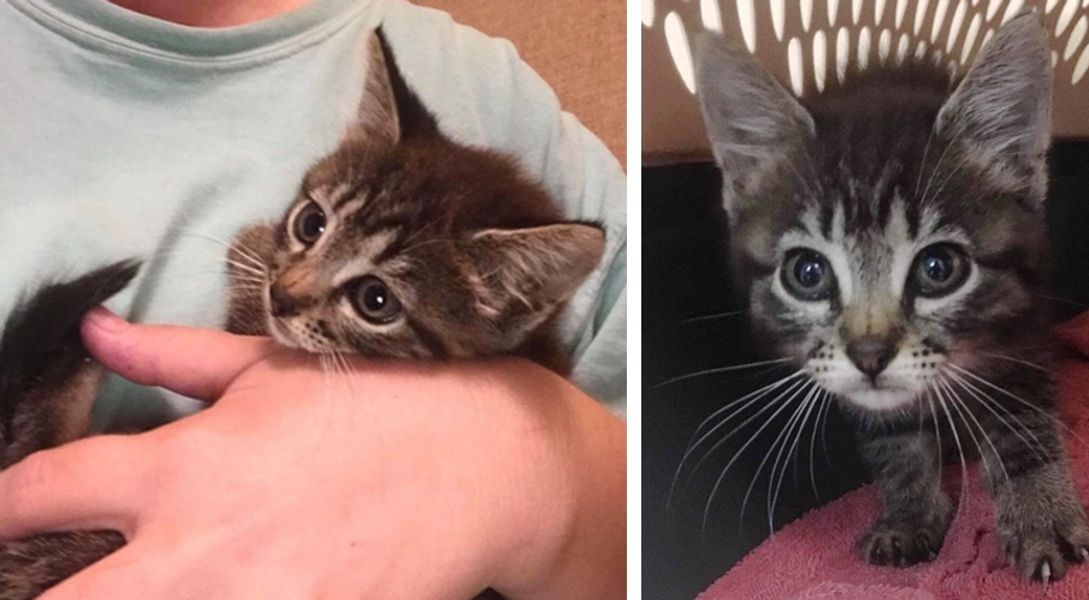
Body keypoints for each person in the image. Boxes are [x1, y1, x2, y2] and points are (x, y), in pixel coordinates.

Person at [0, 0, 626, 597]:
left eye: (374, 299)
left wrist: (540, 469)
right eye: (310, 226)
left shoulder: (487, 86)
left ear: (514, 301)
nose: (289, 288)